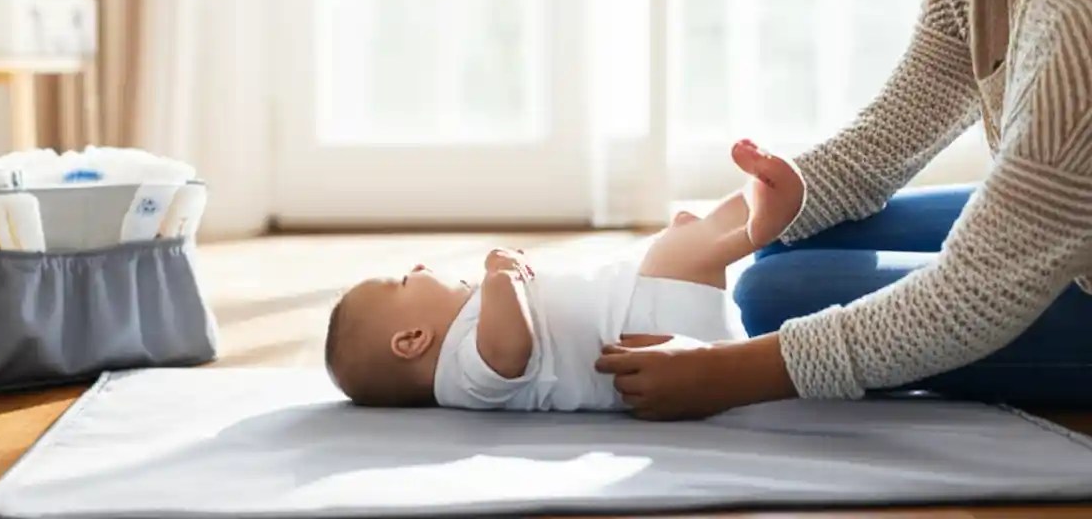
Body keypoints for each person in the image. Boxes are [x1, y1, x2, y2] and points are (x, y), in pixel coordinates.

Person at [595, 0, 1092, 419]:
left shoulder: (1077, 22)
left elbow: (970, 296)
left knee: (777, 294)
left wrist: (729, 374)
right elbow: (896, 128)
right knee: (781, 246)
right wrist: (762, 209)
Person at [322, 143, 794, 411]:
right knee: (684, 248)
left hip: (645, 310)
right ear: (411, 340)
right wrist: (501, 280)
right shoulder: (459, 377)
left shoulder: (463, 337)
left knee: (686, 233)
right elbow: (509, 352)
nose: (419, 269)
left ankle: (762, 203)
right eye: (402, 282)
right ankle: (762, 220)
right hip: (652, 341)